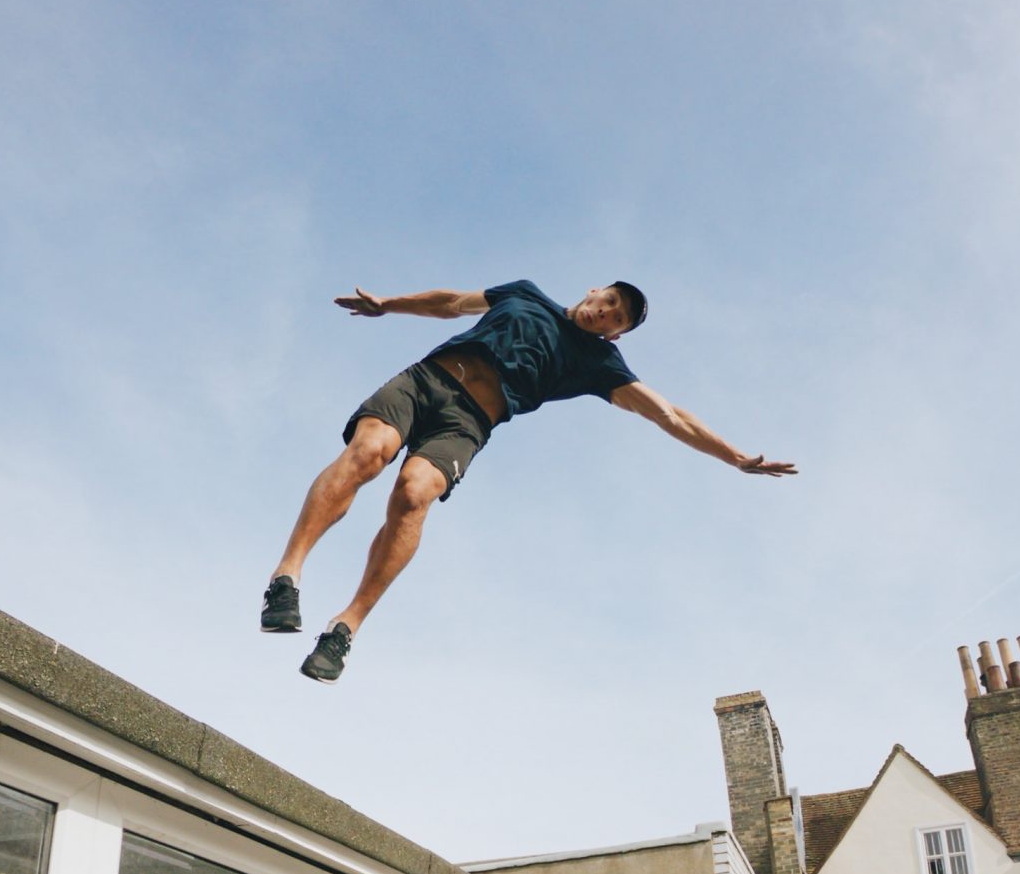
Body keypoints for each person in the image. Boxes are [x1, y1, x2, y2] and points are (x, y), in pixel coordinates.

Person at [262, 278, 796, 684]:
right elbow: (452, 303)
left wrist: (735, 457)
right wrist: (389, 305)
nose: (606, 311)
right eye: (609, 298)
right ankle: (287, 577)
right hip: (425, 380)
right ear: (594, 291)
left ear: (615, 332)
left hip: (468, 422)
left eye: (618, 317)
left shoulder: (600, 363)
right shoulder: (524, 293)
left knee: (414, 493)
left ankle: (346, 627)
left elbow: (669, 414)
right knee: (369, 452)